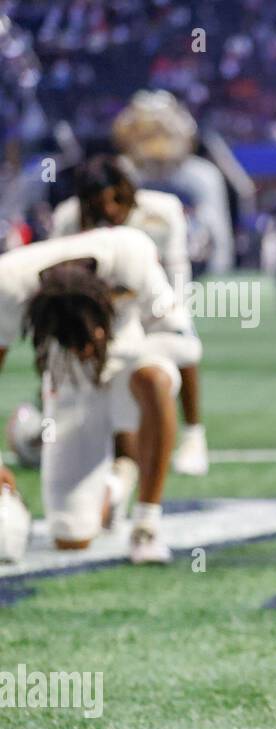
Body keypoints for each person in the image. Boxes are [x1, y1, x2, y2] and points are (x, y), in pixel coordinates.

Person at [0, 228, 182, 564]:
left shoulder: (132, 254)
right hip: (69, 380)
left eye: (87, 339)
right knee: (71, 537)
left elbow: (183, 342)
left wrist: (194, 432)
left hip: (134, 357)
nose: (85, 349)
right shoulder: (8, 283)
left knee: (153, 379)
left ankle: (147, 524)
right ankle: (114, 484)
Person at [50, 155, 208, 475]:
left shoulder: (162, 211)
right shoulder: (68, 218)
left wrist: (167, 312)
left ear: (126, 192)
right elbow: (60, 283)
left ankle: (194, 434)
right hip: (97, 307)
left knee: (181, 335)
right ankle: (103, 445)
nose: (107, 211)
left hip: (152, 297)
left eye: (113, 200)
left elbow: (176, 274)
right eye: (98, 203)